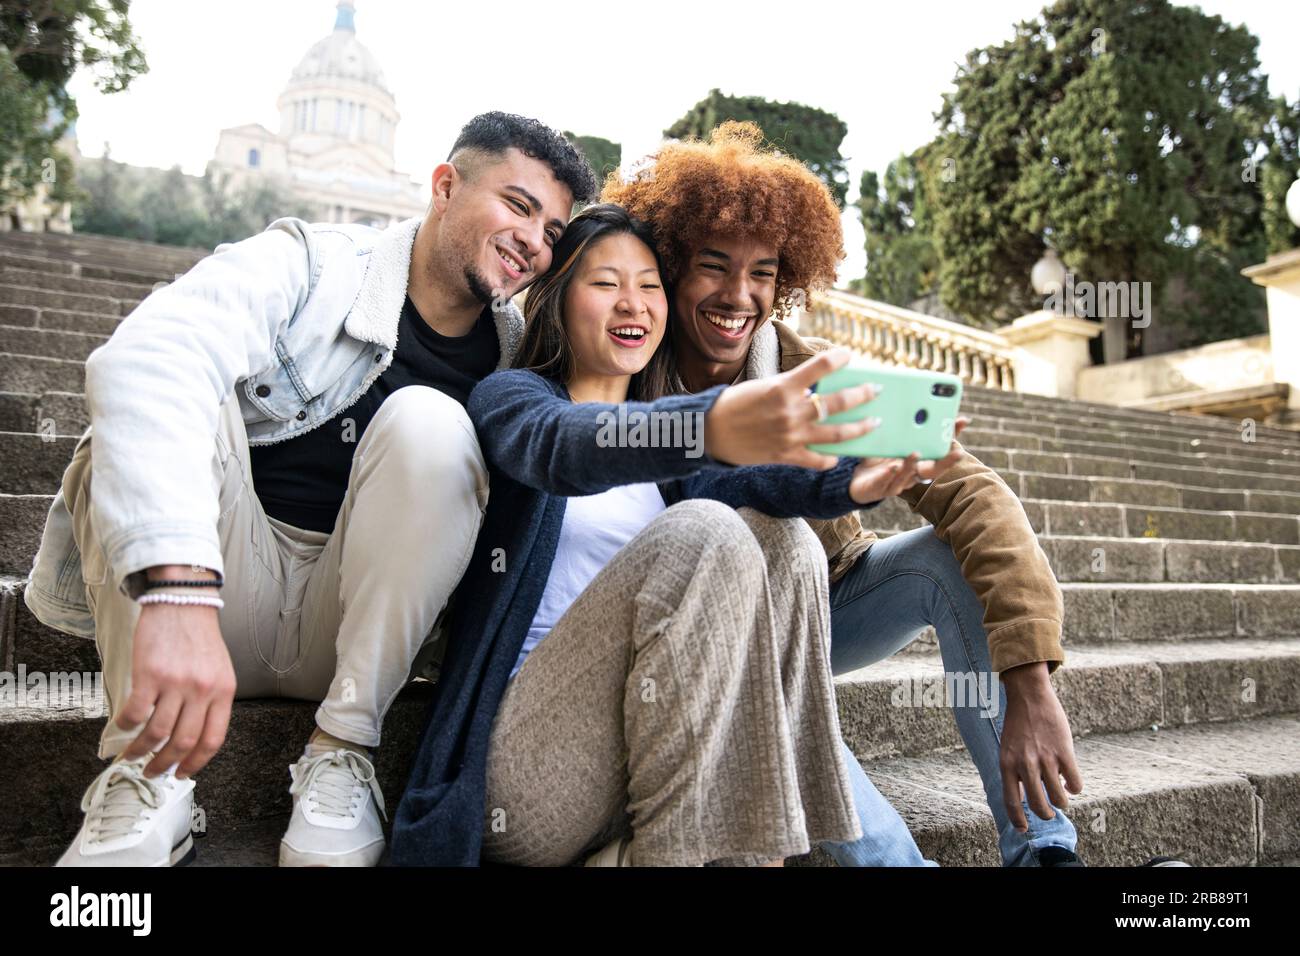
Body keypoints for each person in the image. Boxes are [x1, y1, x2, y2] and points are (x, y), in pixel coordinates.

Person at [24, 112, 595, 867]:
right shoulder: (314, 263)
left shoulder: (518, 359)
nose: (534, 240)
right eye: (519, 206)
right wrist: (178, 589)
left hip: (359, 633)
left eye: (554, 231)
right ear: (445, 186)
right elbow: (147, 356)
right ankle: (149, 770)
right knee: (148, 401)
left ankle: (342, 753)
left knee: (432, 421)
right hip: (215, 597)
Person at [389, 204, 967, 866]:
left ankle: (742, 853)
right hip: (527, 770)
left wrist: (853, 484)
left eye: (649, 285)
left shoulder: (667, 472)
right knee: (703, 530)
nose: (631, 302)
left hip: (640, 753)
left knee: (787, 542)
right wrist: (707, 423)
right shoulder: (514, 402)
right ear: (558, 298)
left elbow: (759, 486)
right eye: (605, 283)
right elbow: (564, 446)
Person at [604, 121, 1086, 867]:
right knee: (776, 541)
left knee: (942, 559)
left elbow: (972, 489)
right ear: (668, 265)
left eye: (763, 272)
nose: (740, 296)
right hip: (697, 633)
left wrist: (1029, 682)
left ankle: (1046, 853)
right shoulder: (624, 353)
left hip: (824, 603)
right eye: (713, 266)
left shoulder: (812, 372)